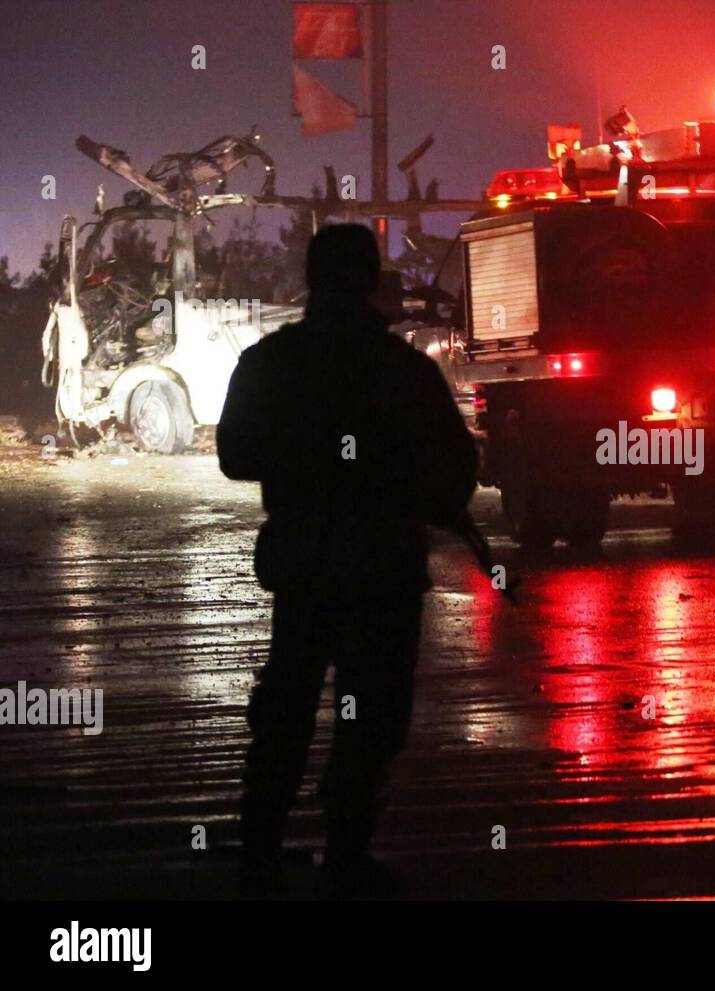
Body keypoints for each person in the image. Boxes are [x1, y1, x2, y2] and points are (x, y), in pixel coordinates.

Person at [217, 223, 477, 896]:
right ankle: (347, 851)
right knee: (371, 714)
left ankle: (262, 852)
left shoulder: (271, 361)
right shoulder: (405, 370)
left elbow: (235, 455)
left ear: (310, 279)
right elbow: (457, 469)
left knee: (286, 711)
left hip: (304, 568)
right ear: (371, 281)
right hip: (382, 570)